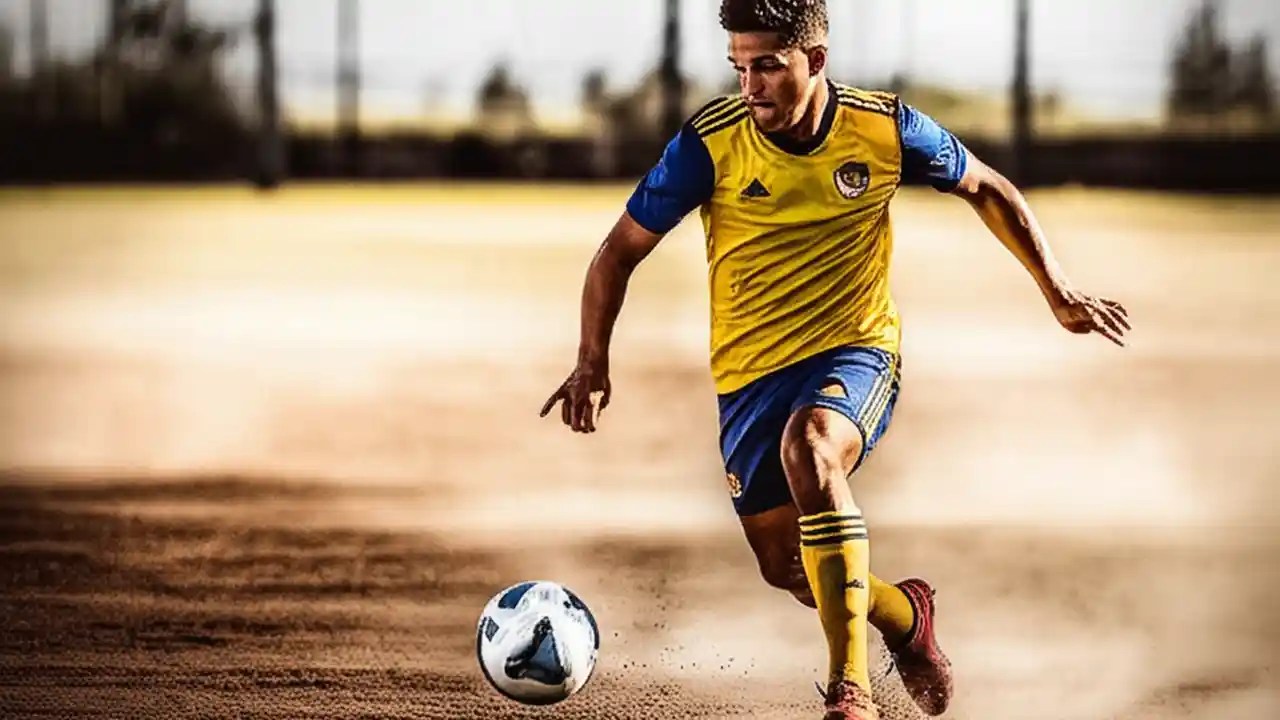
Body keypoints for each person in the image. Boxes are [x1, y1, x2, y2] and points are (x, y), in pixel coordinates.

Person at [540, 1, 1130, 717]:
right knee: (788, 570)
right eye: (739, 67)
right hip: (748, 376)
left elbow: (987, 186)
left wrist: (1058, 292)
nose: (749, 84)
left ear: (815, 61)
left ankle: (850, 694)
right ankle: (908, 620)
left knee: (812, 448)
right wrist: (591, 360)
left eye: (767, 66)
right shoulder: (709, 144)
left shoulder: (885, 128)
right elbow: (619, 251)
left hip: (857, 352)